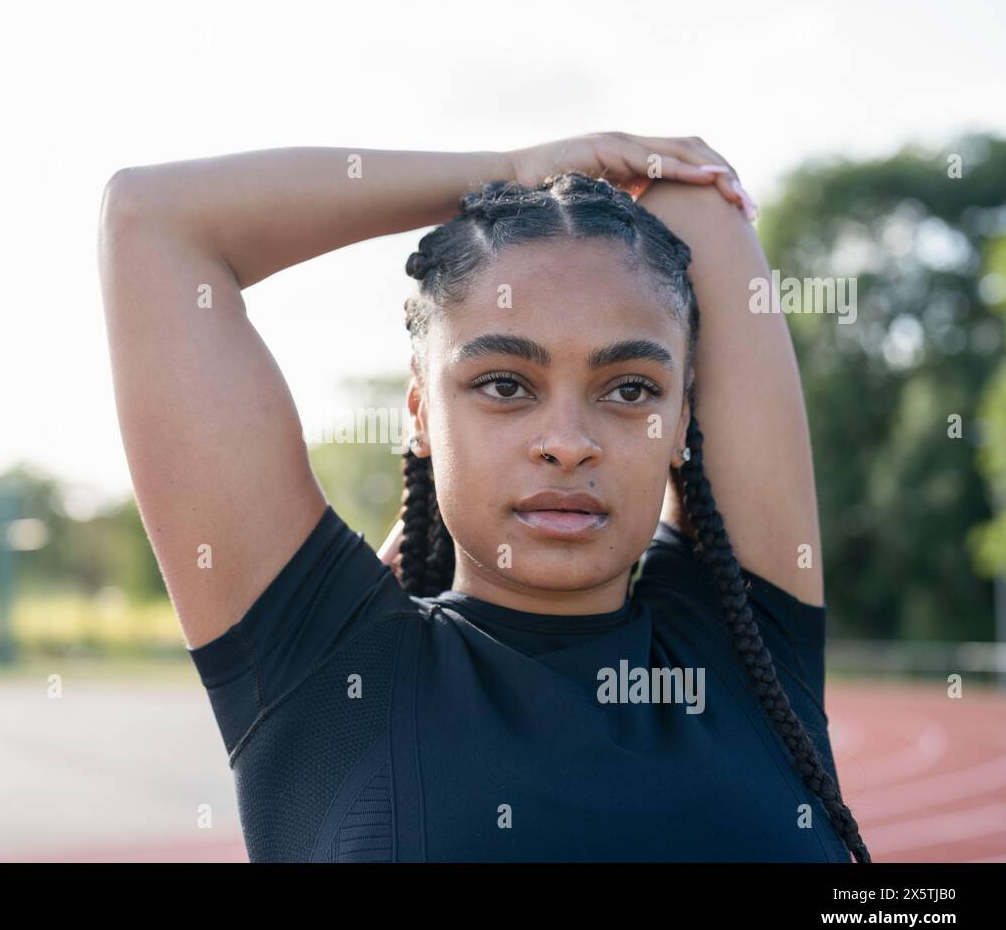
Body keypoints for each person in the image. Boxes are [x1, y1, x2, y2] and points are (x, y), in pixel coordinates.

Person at [97, 133, 870, 862]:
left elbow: (693, 196)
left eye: (630, 388)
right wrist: (507, 164)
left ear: (680, 424)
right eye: (504, 384)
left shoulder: (743, 647)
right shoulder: (328, 668)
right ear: (421, 413)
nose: (568, 440)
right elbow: (154, 221)